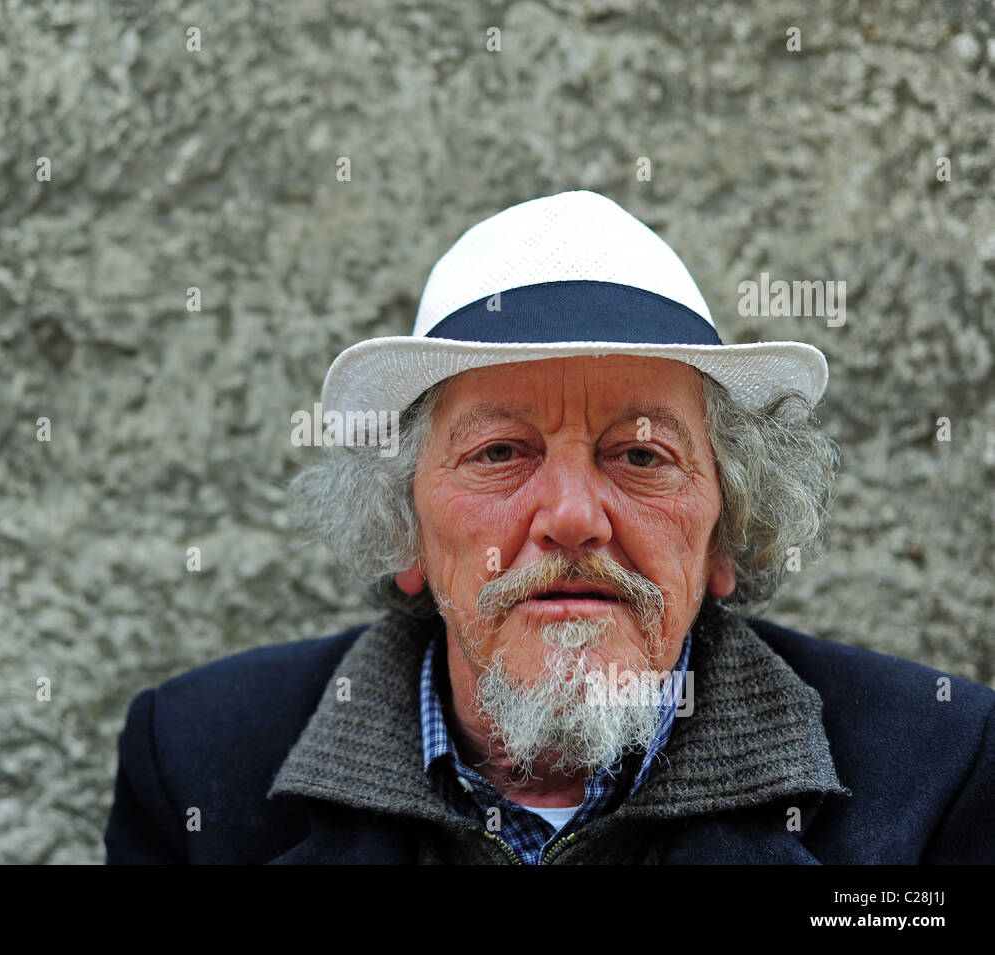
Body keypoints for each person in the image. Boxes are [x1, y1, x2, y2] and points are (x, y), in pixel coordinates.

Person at [105, 191, 995, 864]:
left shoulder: (939, 769)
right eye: (500, 452)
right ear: (405, 527)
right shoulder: (193, 765)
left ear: (727, 528)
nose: (573, 517)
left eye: (642, 455)